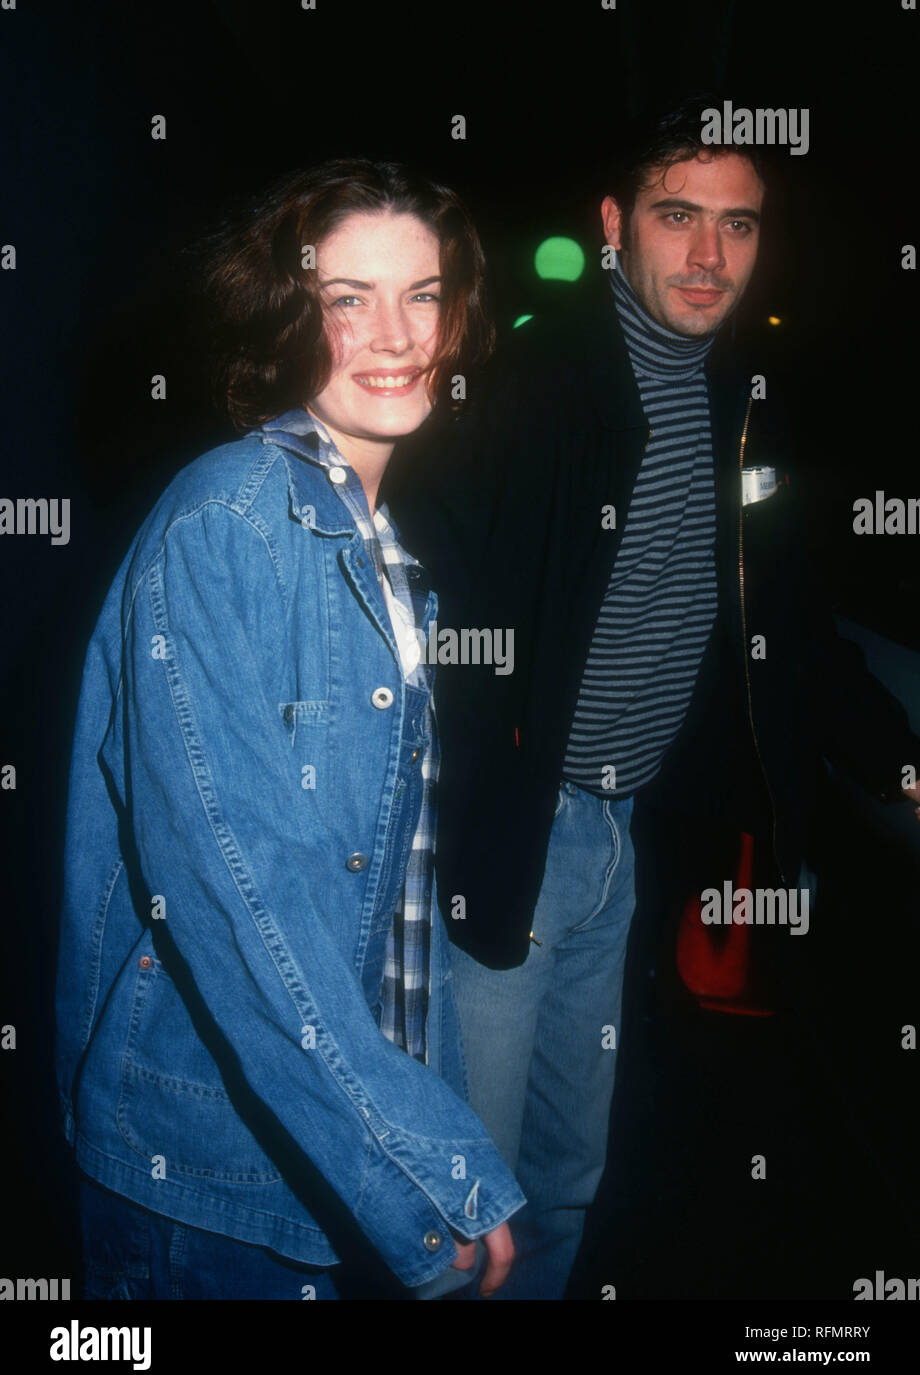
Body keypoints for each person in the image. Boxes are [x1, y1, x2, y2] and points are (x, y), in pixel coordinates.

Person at [384, 98, 920, 1299]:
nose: (709, 256)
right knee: (469, 1197)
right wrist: (475, 787)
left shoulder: (738, 404)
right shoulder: (524, 386)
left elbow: (786, 615)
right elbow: (419, 602)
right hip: (508, 835)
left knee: (572, 1172)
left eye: (738, 225)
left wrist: (894, 760)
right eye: (678, 218)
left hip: (624, 836)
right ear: (616, 223)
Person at [54, 159, 525, 1301]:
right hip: (212, 1168)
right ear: (283, 316)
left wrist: (423, 1119)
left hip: (317, 1143)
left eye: (421, 294)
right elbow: (241, 886)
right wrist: (426, 1161)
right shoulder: (230, 519)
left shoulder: (375, 545)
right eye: (344, 298)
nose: (393, 331)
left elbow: (389, 911)